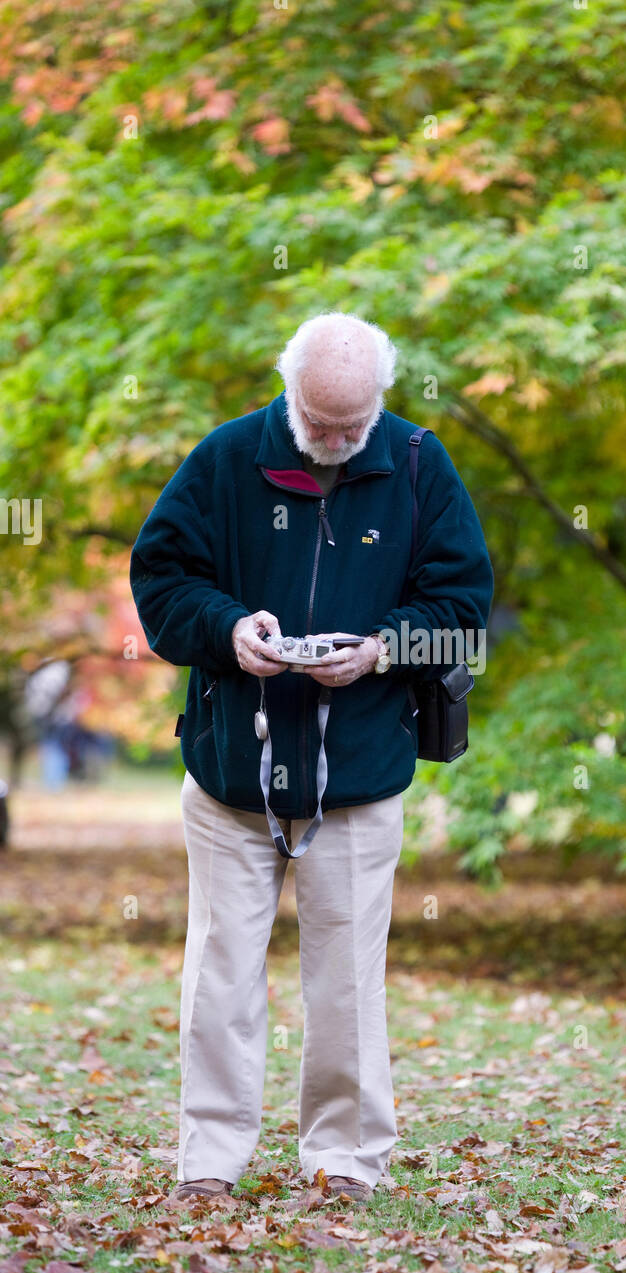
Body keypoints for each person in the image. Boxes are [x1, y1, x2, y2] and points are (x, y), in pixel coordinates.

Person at [129, 312, 494, 1207]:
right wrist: (228, 629)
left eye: (351, 426)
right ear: (287, 389)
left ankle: (344, 1163)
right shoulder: (223, 460)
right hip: (231, 773)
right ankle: (208, 1162)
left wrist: (381, 648)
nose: (333, 443)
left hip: (361, 774)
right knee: (219, 973)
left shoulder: (418, 463)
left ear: (379, 401)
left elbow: (464, 611)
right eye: (318, 423)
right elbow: (161, 581)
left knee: (347, 984)